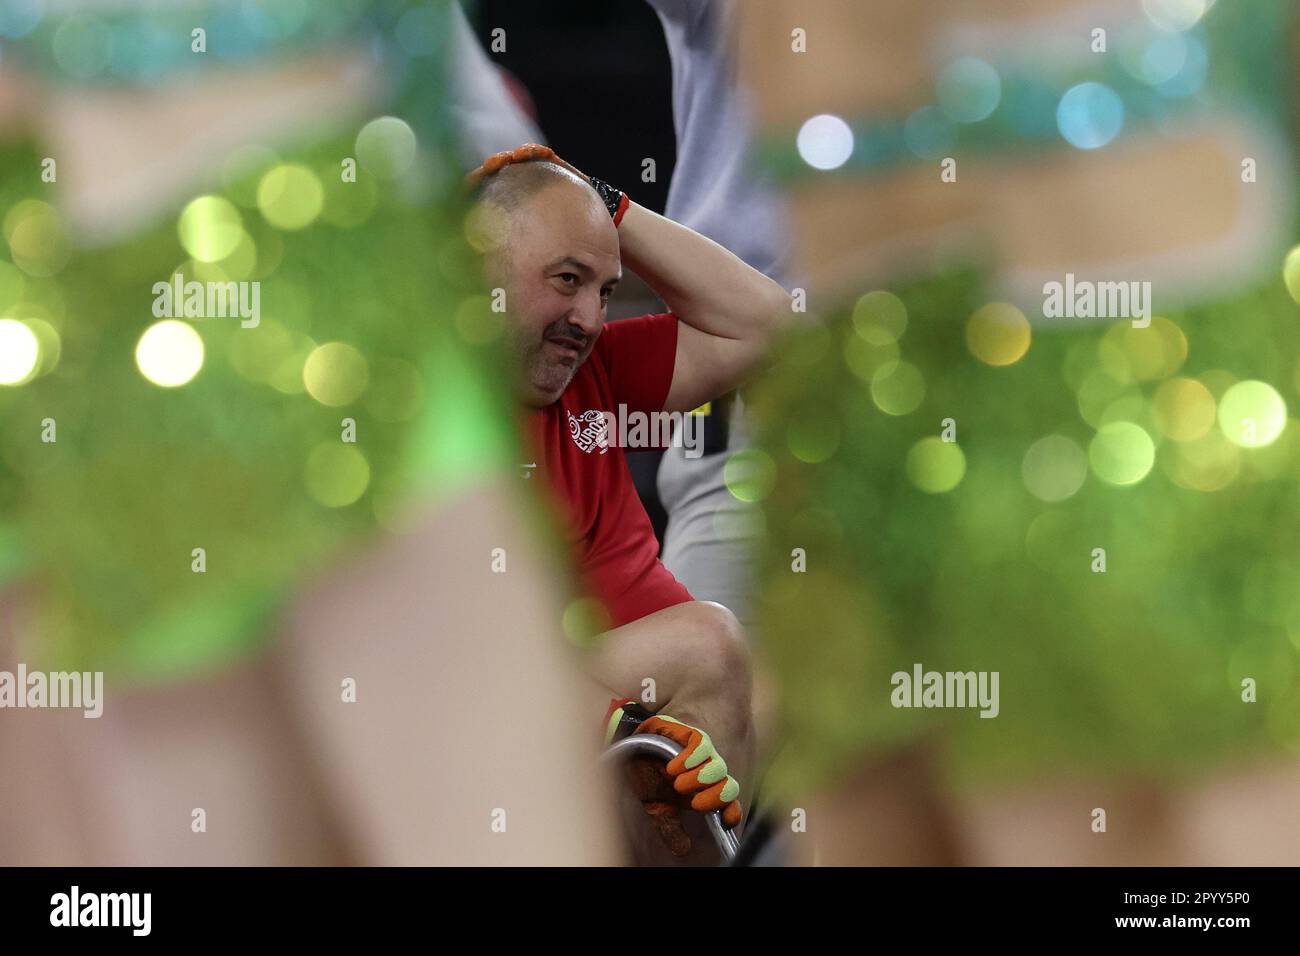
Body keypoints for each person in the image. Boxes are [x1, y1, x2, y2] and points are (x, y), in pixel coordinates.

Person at [467, 146, 791, 860]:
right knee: (707, 646)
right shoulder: (423, 418)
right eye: (567, 279)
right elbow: (440, 657)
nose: (588, 318)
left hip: (603, 719)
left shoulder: (599, 372)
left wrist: (607, 205)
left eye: (607, 290)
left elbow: (769, 324)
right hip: (485, 739)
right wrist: (617, 722)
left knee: (765, 684)